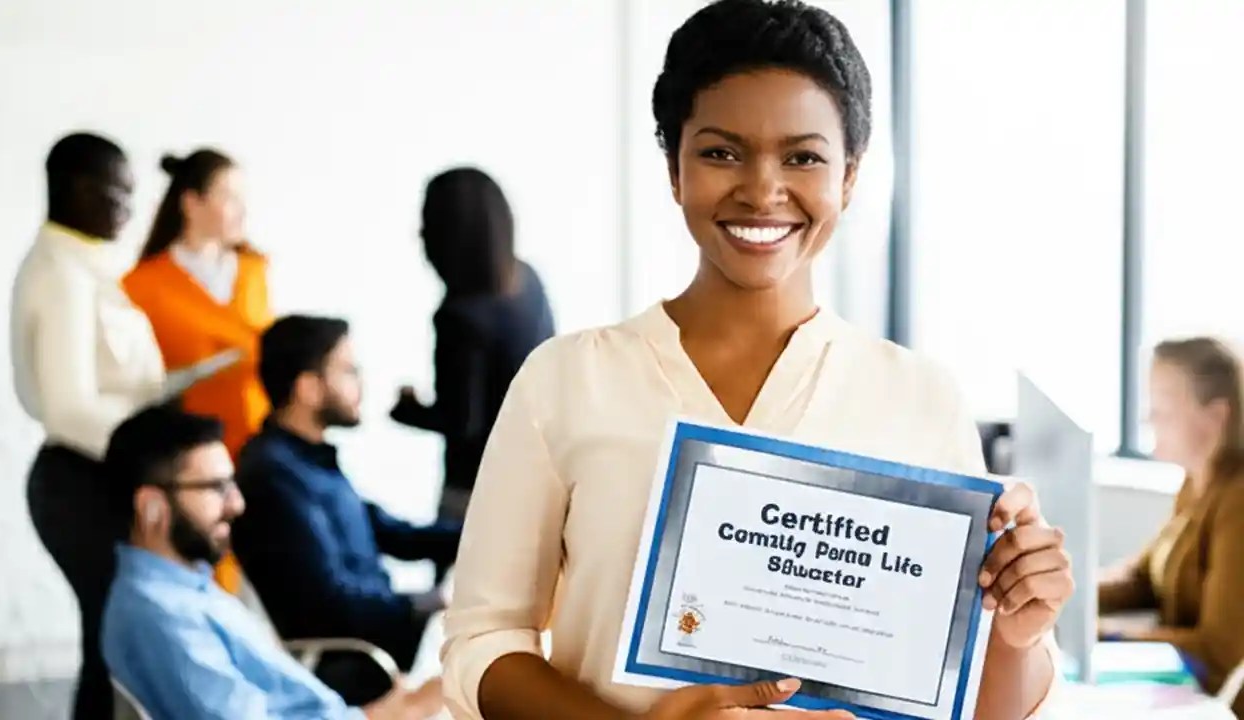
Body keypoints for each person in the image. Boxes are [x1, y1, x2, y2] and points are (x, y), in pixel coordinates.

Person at [439, 2, 1071, 719]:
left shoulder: (919, 397)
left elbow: (966, 708)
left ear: (850, 176)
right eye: (720, 152)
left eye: (803, 157)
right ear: (675, 169)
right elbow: (483, 642)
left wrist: (1016, 635)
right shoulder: (568, 379)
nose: (763, 189)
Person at [99, 404, 444, 720]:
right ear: (151, 507)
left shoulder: (184, 586)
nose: (236, 504)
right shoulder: (161, 612)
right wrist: (387, 715)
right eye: (216, 488)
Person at [9, 131, 166, 720]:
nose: (129, 209)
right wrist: (159, 449)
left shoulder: (84, 263)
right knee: (111, 643)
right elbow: (69, 408)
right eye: (119, 194)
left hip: (103, 474)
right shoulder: (60, 274)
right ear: (78, 189)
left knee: (116, 641)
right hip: (80, 480)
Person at [235, 315, 462, 705]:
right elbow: (330, 603)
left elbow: (395, 534)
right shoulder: (273, 476)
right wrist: (428, 602)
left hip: (383, 644)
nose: (361, 384)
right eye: (348, 371)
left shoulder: (310, 459)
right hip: (355, 665)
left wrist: (491, 531)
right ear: (308, 388)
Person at [123, 148, 273, 595]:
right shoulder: (142, 286)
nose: (241, 210)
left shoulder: (254, 271)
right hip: (197, 463)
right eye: (229, 196)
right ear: (192, 203)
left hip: (261, 452)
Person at [392, 167, 555, 523]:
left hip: (474, 491)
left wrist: (408, 411)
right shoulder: (528, 280)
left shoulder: (459, 318)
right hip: (535, 478)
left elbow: (464, 424)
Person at [1099, 337, 1244, 716]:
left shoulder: (1238, 500)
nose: (1150, 418)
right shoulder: (1195, 484)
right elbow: (1145, 576)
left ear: (1215, 416)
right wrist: (1067, 590)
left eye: (1163, 405)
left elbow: (1220, 651)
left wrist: (1110, 636)